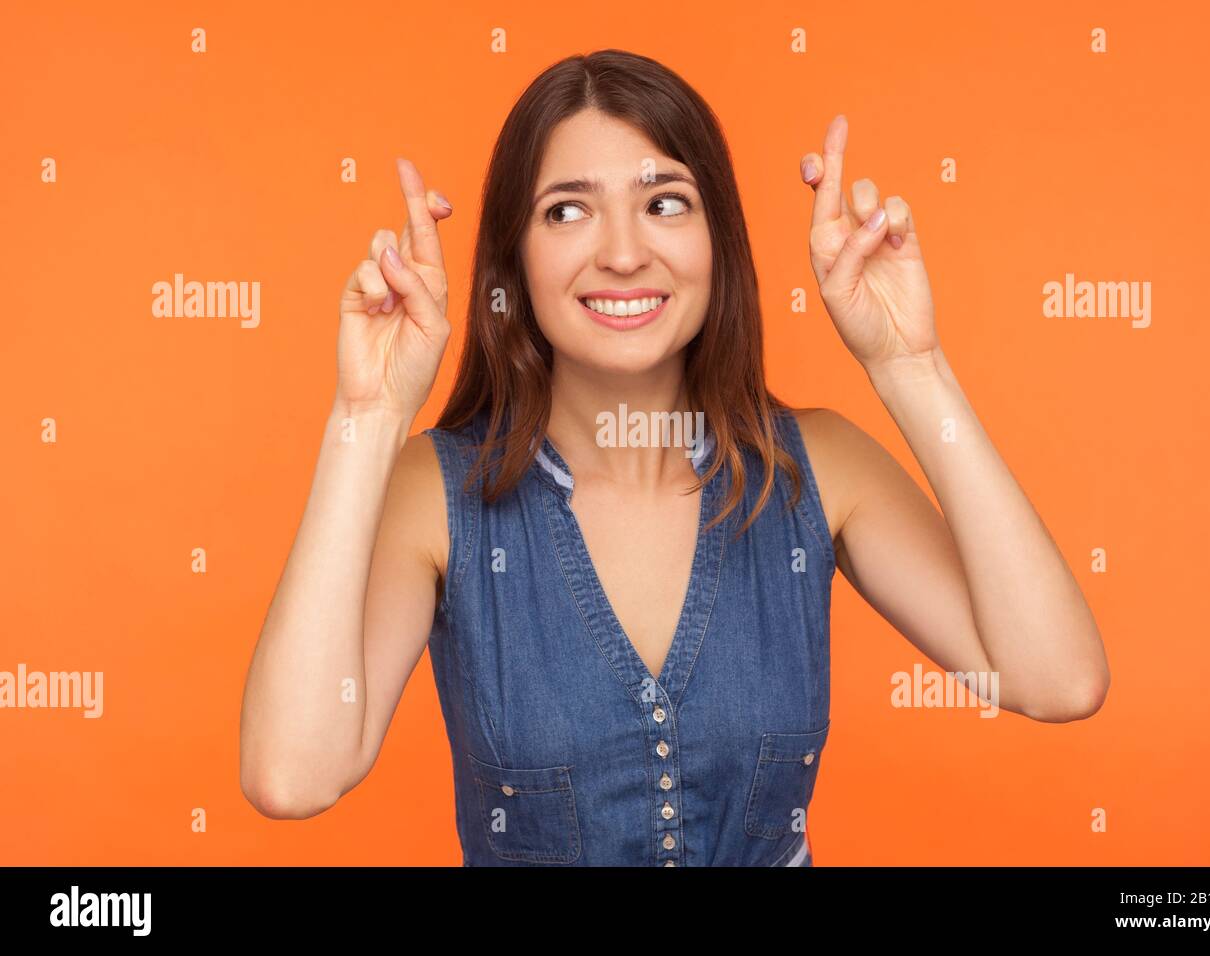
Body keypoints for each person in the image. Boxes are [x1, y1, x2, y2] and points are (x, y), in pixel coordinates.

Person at [238, 49, 1109, 866]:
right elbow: (292, 775)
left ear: (717, 244)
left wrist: (908, 364)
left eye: (664, 202)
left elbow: (1056, 678)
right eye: (567, 210)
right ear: (516, 262)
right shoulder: (438, 494)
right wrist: (367, 414)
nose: (623, 253)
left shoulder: (815, 469)